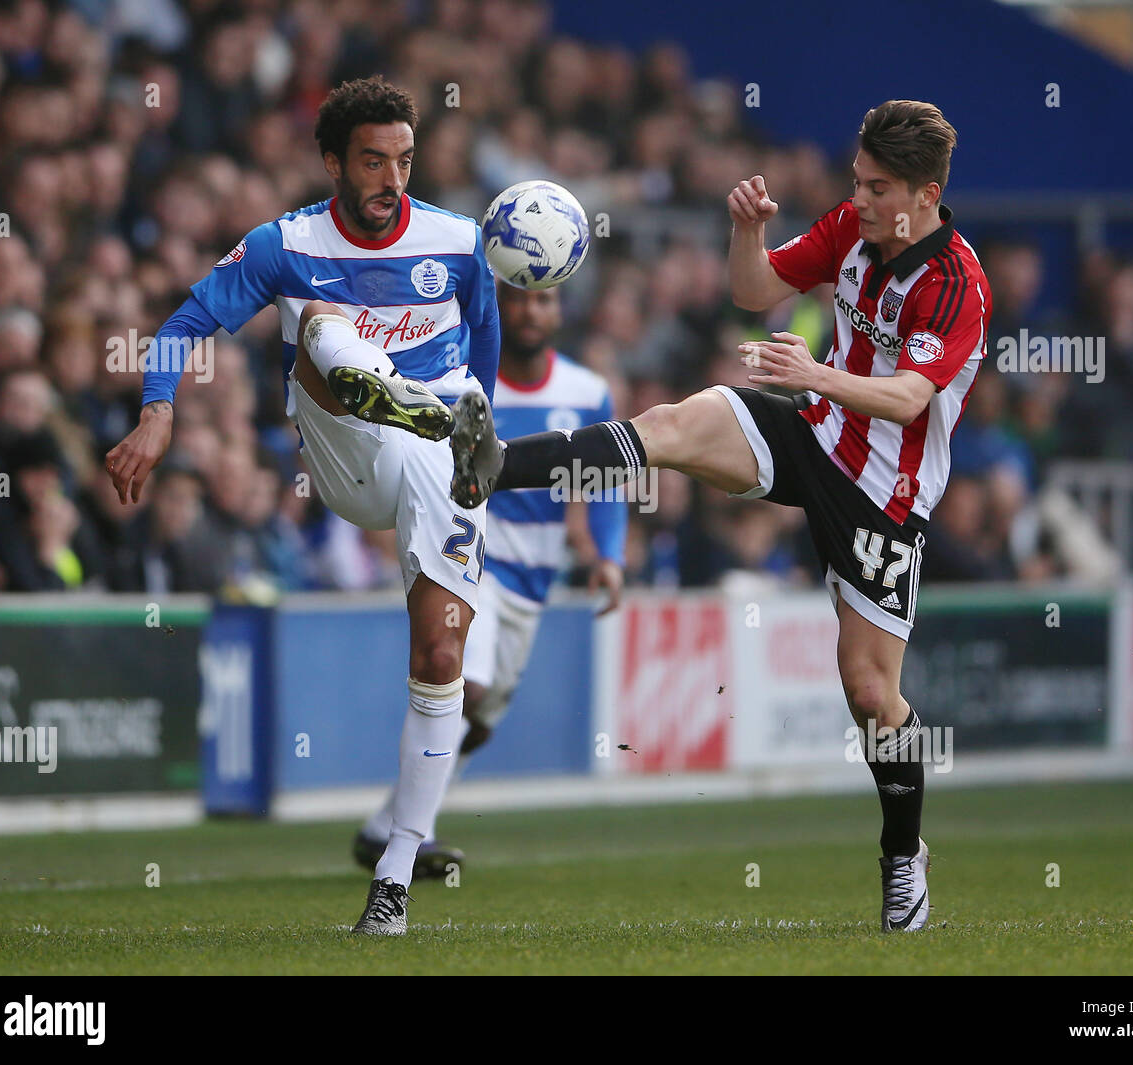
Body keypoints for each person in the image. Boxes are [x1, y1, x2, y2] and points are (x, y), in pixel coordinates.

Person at [449, 100, 991, 932]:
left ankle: (902, 857)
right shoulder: (853, 224)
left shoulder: (958, 284)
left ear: (926, 192)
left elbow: (909, 397)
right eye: (858, 182)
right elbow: (753, 289)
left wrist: (816, 374)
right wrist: (748, 231)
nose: (861, 198)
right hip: (812, 432)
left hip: (884, 492)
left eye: (878, 188)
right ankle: (498, 465)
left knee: (871, 692)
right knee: (673, 425)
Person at [104, 77, 500, 936]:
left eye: (403, 159)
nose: (391, 177)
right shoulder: (285, 244)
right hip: (343, 451)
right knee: (324, 319)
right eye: (371, 160)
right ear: (332, 162)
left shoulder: (461, 244)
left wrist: (479, 434)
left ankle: (394, 874)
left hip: (439, 454)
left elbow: (487, 358)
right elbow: (179, 327)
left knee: (441, 654)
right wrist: (159, 409)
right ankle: (394, 393)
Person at [353, 280, 627, 877]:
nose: (530, 310)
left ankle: (383, 828)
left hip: (535, 577)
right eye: (518, 298)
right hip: (475, 556)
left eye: (544, 299)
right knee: (466, 686)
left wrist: (608, 553)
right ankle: (406, 842)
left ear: (560, 309)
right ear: (497, 307)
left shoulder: (587, 392)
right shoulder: (467, 380)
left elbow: (605, 479)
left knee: (480, 717)